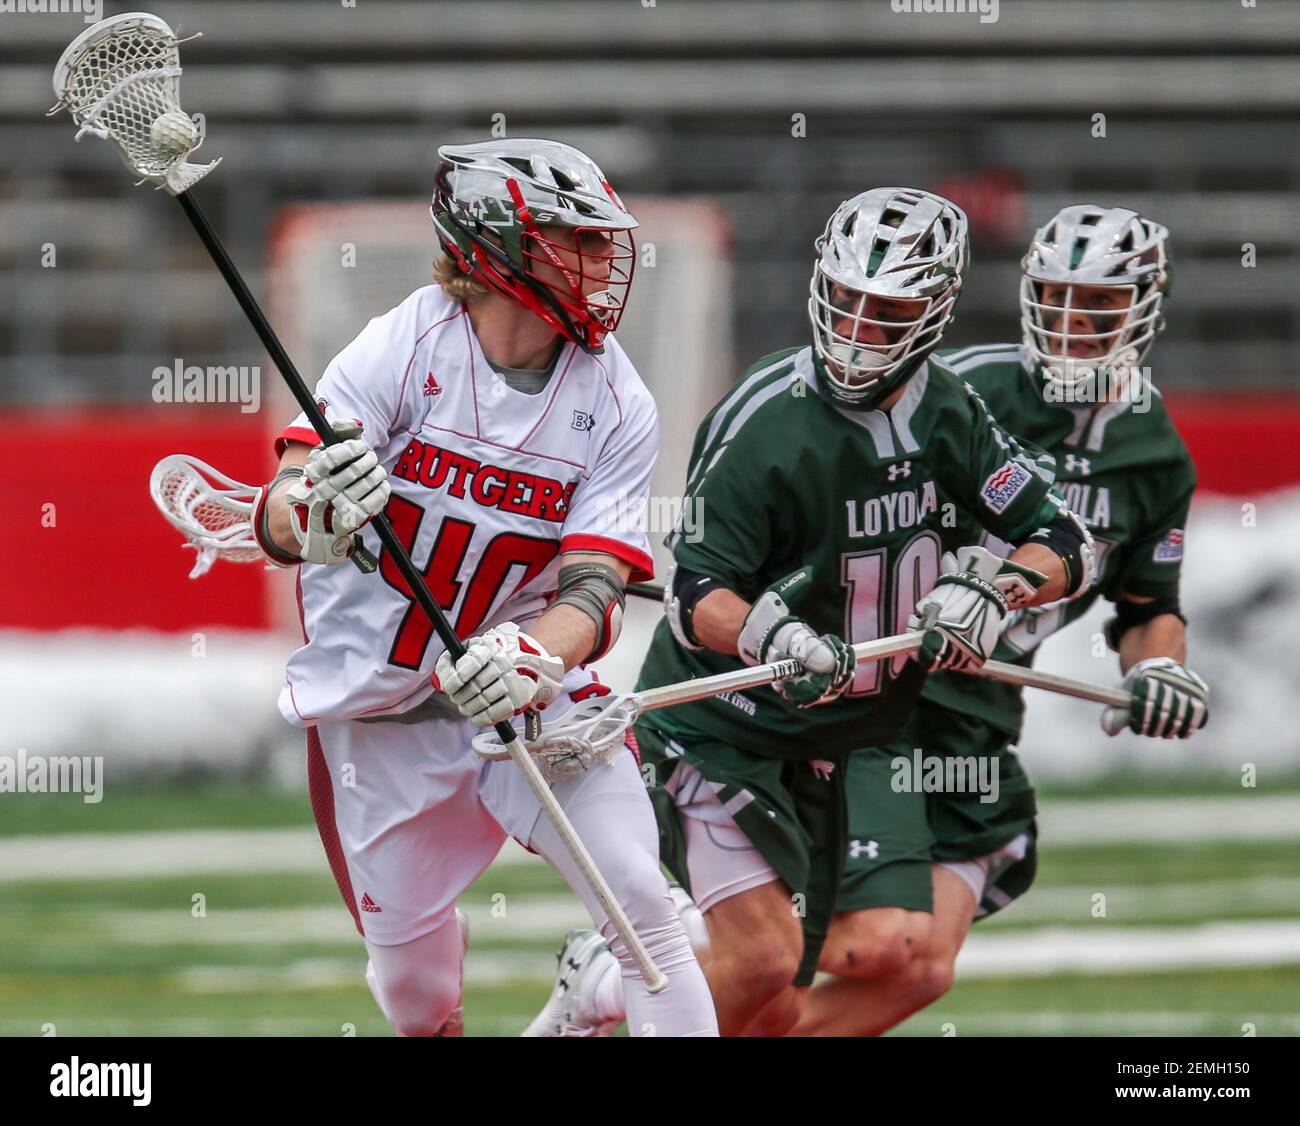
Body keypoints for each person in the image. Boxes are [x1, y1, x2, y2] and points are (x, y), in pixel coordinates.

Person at [526, 187, 1093, 1036]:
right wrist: (778, 633)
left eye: (887, 307)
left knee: (812, 987)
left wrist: (995, 589)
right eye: (849, 297)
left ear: (933, 311)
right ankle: (602, 991)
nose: (860, 325)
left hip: (853, 739)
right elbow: (695, 594)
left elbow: (1062, 537)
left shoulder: (951, 412)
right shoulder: (769, 420)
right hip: (732, 722)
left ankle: (622, 974)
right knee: (760, 962)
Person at [254, 138, 717, 1037]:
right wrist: (315, 513)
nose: (601, 262)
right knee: (416, 1002)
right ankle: (573, 1011)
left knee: (645, 915)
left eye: (598, 240)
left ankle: (608, 978)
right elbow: (284, 507)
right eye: (573, 240)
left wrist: (533, 653)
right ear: (497, 244)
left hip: (528, 697)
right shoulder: (401, 346)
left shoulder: (617, 400)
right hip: (380, 714)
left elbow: (595, 591)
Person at [792, 204, 1208, 1036]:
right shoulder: (963, 386)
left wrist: (1157, 667)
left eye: (1095, 307)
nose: (1068, 326)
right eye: (1052, 297)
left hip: (978, 716)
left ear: (1146, 307)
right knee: (872, 941)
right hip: (882, 690)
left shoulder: (1155, 453)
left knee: (920, 971)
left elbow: (1147, 608)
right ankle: (659, 951)